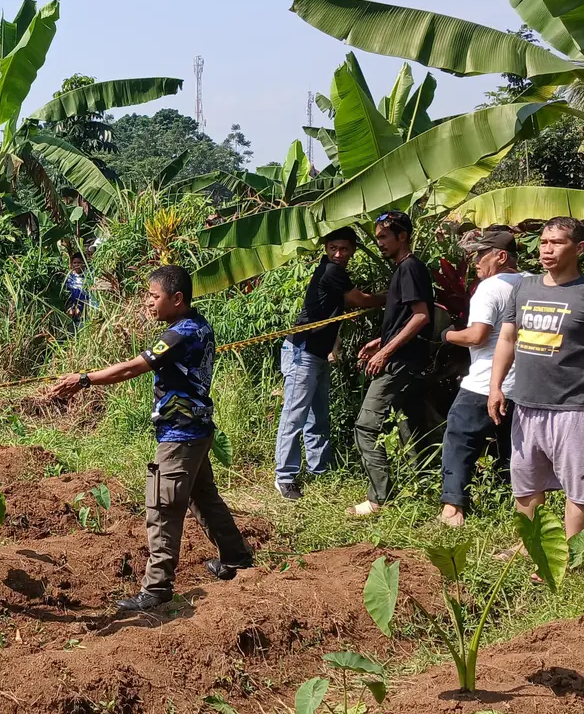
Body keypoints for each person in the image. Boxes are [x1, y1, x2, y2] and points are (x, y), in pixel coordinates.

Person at [50, 265, 253, 611]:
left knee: (162, 507)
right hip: (198, 429)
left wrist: (83, 379)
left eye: (153, 296)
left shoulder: (178, 335)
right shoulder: (198, 325)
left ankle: (157, 588)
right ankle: (236, 558)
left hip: (180, 434)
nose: (147, 302)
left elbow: (133, 367)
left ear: (176, 299)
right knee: (204, 499)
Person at [489, 216, 584, 547]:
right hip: (526, 404)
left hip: (573, 408)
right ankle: (532, 548)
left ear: (579, 248)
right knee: (526, 485)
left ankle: (572, 559)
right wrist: (495, 387)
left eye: (557, 243)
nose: (547, 249)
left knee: (578, 489)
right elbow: (507, 340)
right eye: (544, 242)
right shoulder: (524, 288)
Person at [274, 228, 385, 500]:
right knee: (295, 415)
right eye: (333, 247)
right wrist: (392, 296)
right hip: (303, 350)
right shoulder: (331, 271)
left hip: (318, 353)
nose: (338, 254)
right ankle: (284, 477)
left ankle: (319, 468)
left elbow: (342, 305)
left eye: (344, 249)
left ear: (353, 250)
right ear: (325, 248)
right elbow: (358, 300)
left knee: (318, 414)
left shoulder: (336, 273)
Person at [348, 211, 436, 518]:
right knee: (408, 425)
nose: (380, 243)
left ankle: (379, 499)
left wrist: (385, 353)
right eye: (378, 238)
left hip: (400, 363)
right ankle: (421, 488)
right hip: (403, 358)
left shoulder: (410, 267)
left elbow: (421, 316)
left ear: (403, 236)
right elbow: (402, 317)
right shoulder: (402, 269)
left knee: (365, 427)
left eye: (385, 237)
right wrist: (379, 342)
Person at [437, 227, 525, 527]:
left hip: (486, 382)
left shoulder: (490, 288)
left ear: (501, 257)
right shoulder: (533, 284)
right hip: (523, 385)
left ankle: (453, 509)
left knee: (460, 438)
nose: (476, 261)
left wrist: (447, 335)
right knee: (514, 449)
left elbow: (477, 336)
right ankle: (518, 510)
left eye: (481, 254)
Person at [65, 252, 91, 328]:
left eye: (79, 263)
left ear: (84, 263)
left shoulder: (89, 275)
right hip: (72, 304)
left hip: (85, 303)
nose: (76, 265)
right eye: (74, 263)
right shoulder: (69, 276)